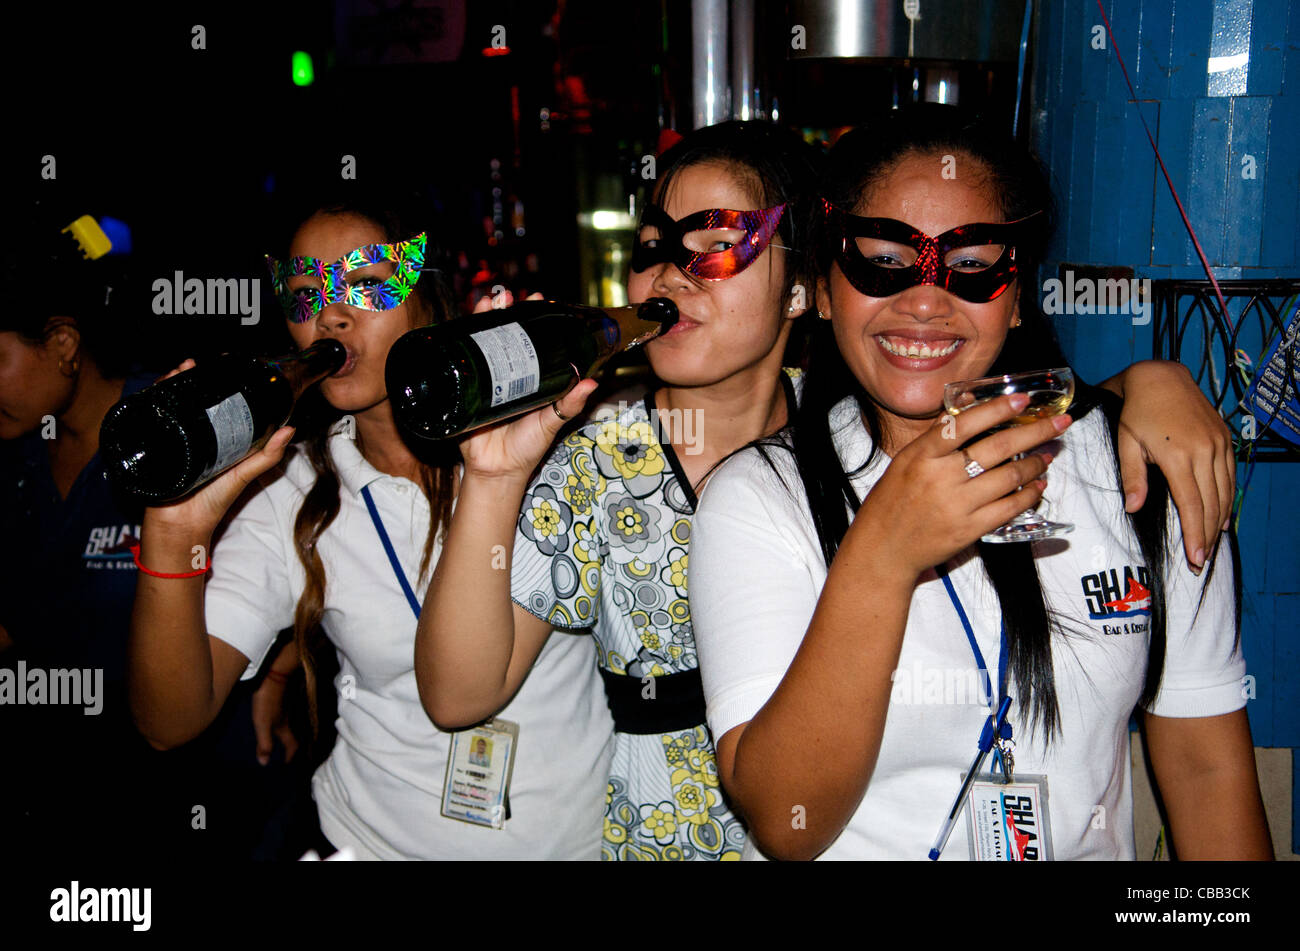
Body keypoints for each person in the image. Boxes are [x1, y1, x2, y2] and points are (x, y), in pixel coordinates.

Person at [416, 119, 1241, 861]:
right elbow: (459, 694)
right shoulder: (619, 465)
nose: (673, 272)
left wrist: (1144, 387)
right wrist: (494, 478)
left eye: (716, 244)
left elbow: (962, 366)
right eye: (654, 246)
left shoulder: (858, 409)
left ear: (804, 288)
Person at [689, 105, 1272, 861]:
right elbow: (785, 816)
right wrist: (882, 555)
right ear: (825, 289)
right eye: (883, 260)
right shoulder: (762, 499)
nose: (926, 302)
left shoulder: (1142, 471)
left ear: (1019, 293)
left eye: (971, 266)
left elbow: (1206, 770)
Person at [127, 189, 613, 860]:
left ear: (426, 293)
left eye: (366, 284)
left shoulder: (541, 435)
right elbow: (169, 719)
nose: (330, 314)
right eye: (303, 294)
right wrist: (173, 535)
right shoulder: (290, 487)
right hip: (368, 843)